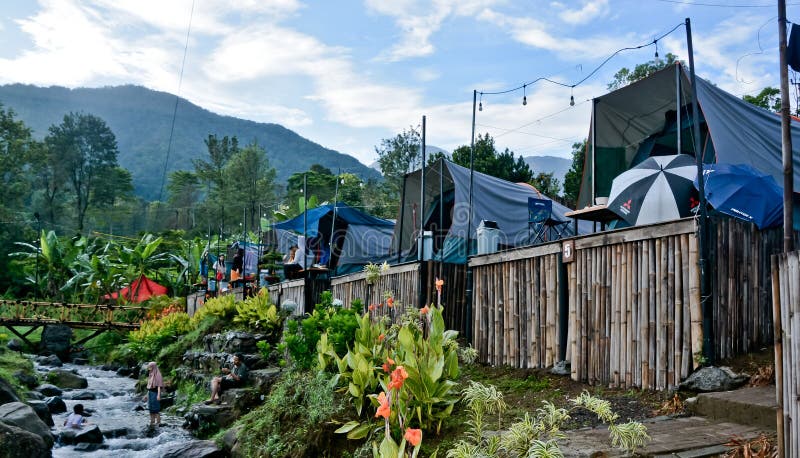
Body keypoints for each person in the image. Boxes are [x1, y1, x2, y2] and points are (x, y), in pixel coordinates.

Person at [143, 361, 163, 427]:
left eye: (150, 366)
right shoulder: (151, 374)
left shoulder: (158, 374)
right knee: (151, 409)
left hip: (155, 393)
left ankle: (158, 423)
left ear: (153, 367)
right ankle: (152, 423)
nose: (149, 368)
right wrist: (146, 395)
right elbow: (149, 386)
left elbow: (159, 386)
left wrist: (158, 395)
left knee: (156, 410)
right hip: (150, 393)